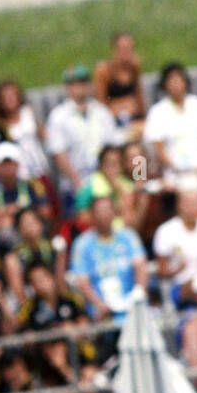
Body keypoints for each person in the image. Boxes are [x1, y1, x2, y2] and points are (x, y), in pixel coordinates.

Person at [17, 261, 115, 393]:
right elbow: (28, 340)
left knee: (82, 392)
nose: (41, 284)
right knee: (79, 391)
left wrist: (70, 332)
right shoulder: (29, 309)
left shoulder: (70, 299)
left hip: (83, 363)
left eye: (43, 279)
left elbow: (84, 330)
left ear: (52, 278)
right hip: (52, 374)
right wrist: (59, 333)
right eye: (35, 282)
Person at [45, 65, 118, 213]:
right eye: (74, 84)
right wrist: (78, 183)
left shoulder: (102, 112)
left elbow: (112, 147)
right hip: (75, 185)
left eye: (83, 83)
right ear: (68, 88)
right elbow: (58, 153)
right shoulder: (58, 117)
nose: (79, 88)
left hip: (104, 181)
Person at [68, 195, 148, 324]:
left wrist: (139, 294)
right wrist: (99, 305)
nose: (104, 214)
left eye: (107, 209)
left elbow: (140, 266)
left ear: (114, 212)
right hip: (101, 312)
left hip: (131, 306)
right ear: (92, 215)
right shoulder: (82, 244)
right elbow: (82, 281)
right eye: (100, 211)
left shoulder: (128, 236)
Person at [144, 63, 197, 192]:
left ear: (185, 82)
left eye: (179, 80)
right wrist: (175, 167)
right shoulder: (157, 111)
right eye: (171, 81)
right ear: (165, 84)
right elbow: (158, 146)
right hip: (174, 171)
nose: (176, 84)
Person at [152, 185, 197, 306]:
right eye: (188, 203)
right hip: (180, 284)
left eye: (196, 203)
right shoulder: (165, 231)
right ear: (179, 205)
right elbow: (161, 271)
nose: (192, 208)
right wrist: (176, 270)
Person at [92, 32, 146, 126]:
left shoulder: (134, 67)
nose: (127, 53)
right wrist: (121, 105)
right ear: (114, 49)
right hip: (111, 120)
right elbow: (100, 105)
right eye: (123, 49)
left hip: (133, 118)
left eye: (130, 49)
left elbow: (139, 95)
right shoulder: (104, 70)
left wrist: (143, 116)